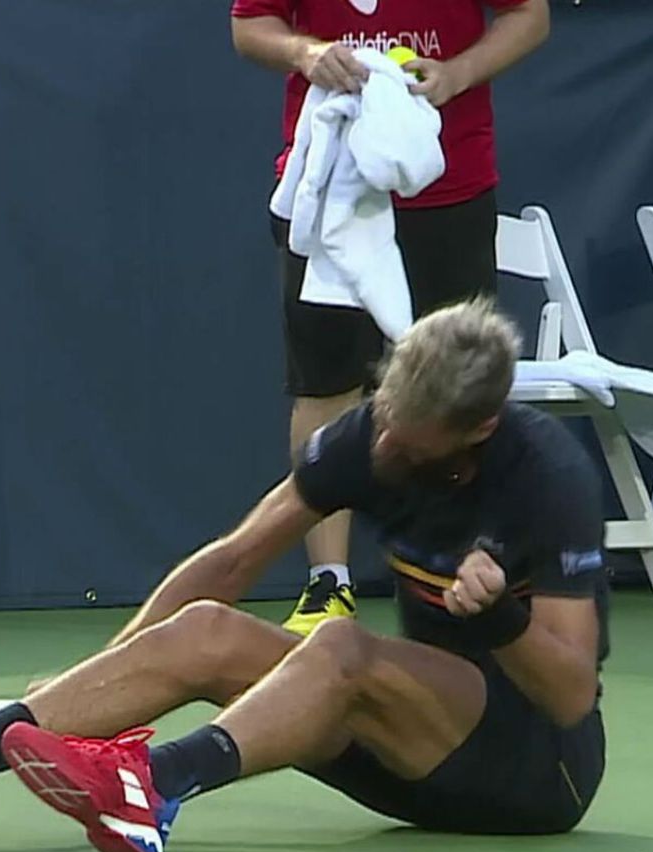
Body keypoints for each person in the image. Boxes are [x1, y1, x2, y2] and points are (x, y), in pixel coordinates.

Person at [0, 301, 609, 852]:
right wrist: (87, 686)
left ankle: (153, 790)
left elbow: (571, 698)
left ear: (479, 427)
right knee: (208, 624)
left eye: (412, 438)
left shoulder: (548, 480)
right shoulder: (374, 434)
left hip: (533, 778)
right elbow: (233, 562)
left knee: (336, 642)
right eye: (388, 417)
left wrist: (503, 617)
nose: (389, 441)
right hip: (406, 752)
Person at [228, 0, 552, 635]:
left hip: (449, 183)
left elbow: (530, 16)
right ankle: (329, 584)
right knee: (325, 383)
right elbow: (250, 25)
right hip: (330, 189)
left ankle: (461, 570)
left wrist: (456, 75)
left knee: (459, 389)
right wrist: (307, 53)